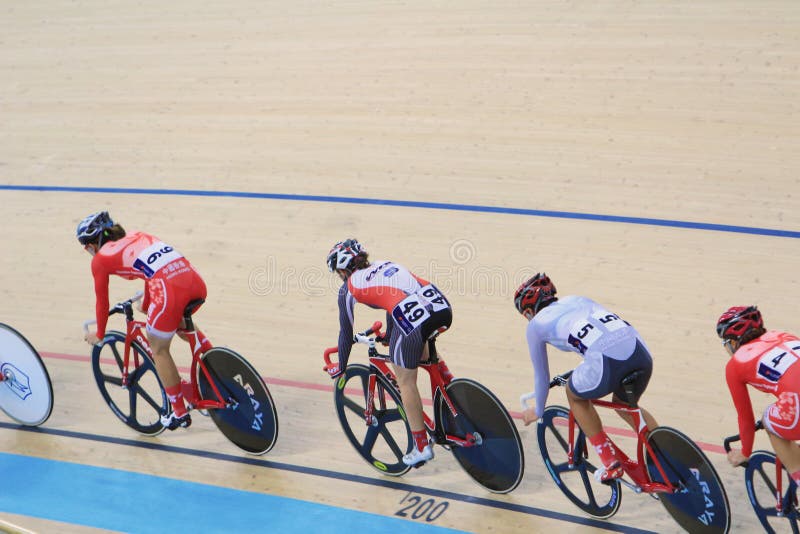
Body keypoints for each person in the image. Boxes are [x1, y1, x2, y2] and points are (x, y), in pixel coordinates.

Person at [515, 273, 657, 482]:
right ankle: (666, 450)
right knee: (623, 404)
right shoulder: (577, 298)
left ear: (528, 311)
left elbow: (541, 375)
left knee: (574, 395)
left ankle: (610, 462)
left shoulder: (535, 325)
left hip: (607, 363)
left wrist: (538, 410)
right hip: (640, 353)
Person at [78, 211, 213, 430]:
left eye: (86, 247)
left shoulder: (100, 260)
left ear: (93, 244)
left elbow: (102, 302)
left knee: (158, 347)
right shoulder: (137, 235)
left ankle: (179, 412)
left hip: (168, 288)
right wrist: (147, 303)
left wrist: (100, 334)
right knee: (177, 322)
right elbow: (153, 270)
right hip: (193, 280)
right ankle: (216, 371)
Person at [327, 239, 453, 467]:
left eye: (338, 272)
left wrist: (341, 365)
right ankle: (451, 386)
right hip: (442, 308)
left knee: (405, 380)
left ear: (344, 270)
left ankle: (421, 446)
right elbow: (392, 302)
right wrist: (388, 335)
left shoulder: (348, 288)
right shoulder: (384, 264)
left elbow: (346, 333)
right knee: (421, 350)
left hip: (413, 320)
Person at [718, 305, 800, 480]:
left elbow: (745, 417)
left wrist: (745, 452)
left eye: (724, 343)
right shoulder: (783, 335)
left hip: (796, 404)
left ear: (733, 342)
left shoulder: (735, 365)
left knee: (768, 421)